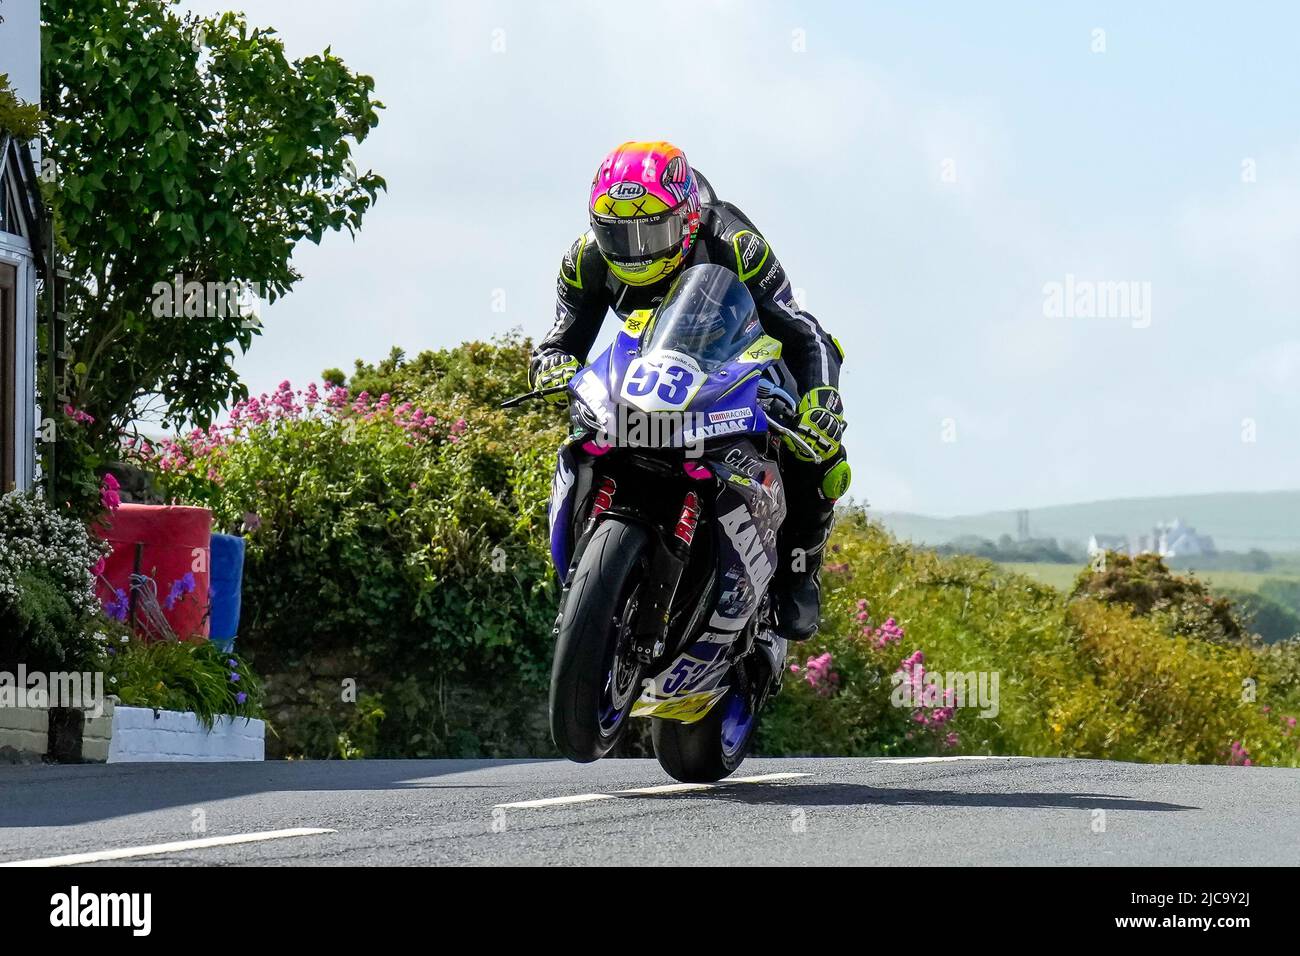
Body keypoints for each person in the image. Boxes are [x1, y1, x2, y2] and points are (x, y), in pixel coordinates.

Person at [530, 141, 850, 640]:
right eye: (618, 233)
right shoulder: (586, 260)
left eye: (649, 229)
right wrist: (551, 365)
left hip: (743, 352)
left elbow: (805, 333)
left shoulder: (734, 242)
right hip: (650, 364)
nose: (634, 249)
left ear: (683, 220)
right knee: (584, 427)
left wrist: (821, 401)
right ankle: (584, 569)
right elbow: (560, 341)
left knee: (821, 456)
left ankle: (797, 572)